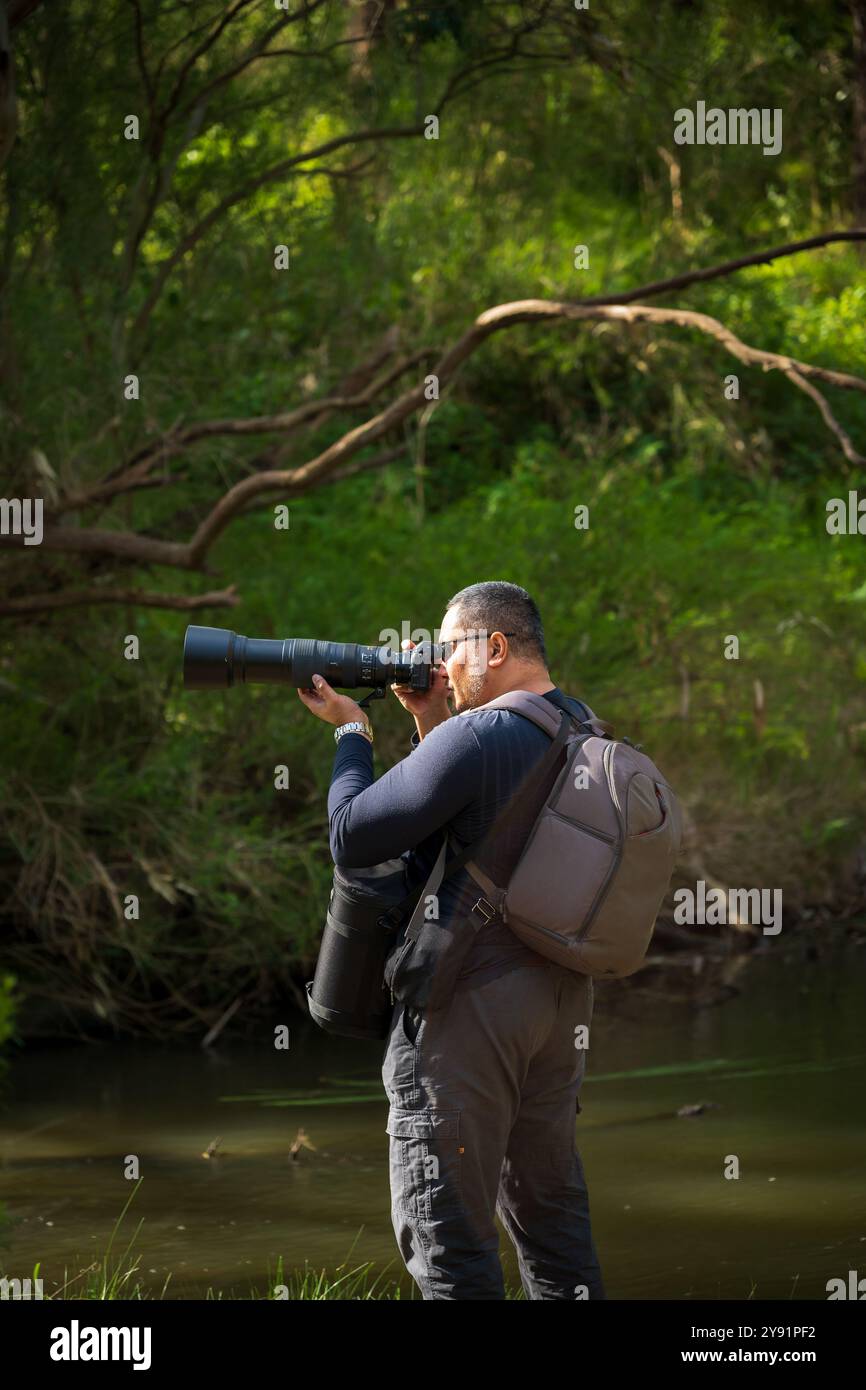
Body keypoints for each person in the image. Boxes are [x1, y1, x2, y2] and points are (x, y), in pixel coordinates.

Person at [298, 580, 605, 1301]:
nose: (439, 661)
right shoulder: (582, 730)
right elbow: (477, 831)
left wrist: (352, 733)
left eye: (450, 647)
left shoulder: (483, 735)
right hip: (558, 1006)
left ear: (494, 648)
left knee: (449, 1240)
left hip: (468, 1011)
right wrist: (432, 713)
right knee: (552, 1223)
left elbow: (352, 837)